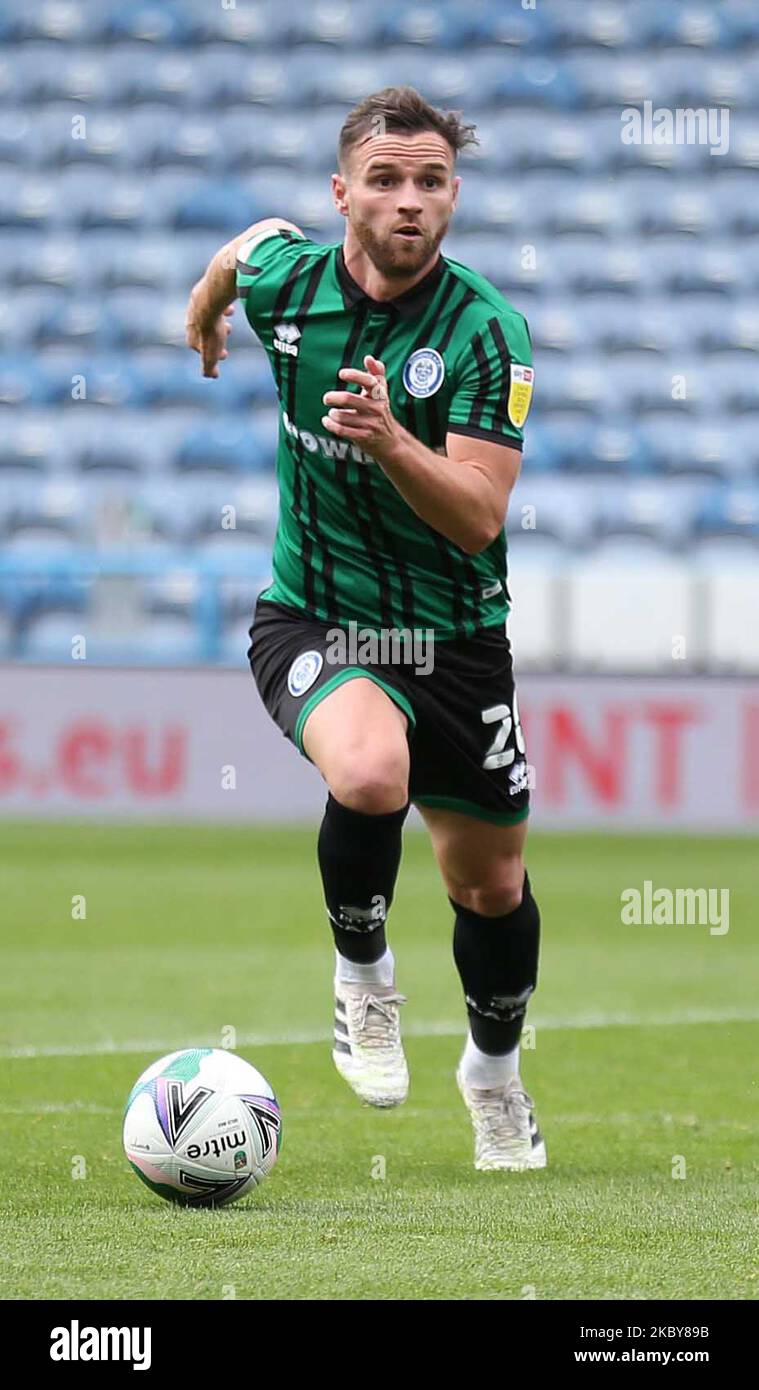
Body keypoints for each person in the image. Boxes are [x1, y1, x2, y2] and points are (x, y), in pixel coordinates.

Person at [185, 86, 544, 1171]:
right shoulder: (288, 281)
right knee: (372, 771)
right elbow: (239, 255)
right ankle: (365, 981)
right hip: (316, 617)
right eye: (384, 180)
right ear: (342, 193)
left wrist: (390, 439)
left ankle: (493, 1072)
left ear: (453, 197)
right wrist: (204, 311)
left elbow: (480, 513)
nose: (407, 200)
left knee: (491, 887)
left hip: (454, 640)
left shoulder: (489, 333)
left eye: (429, 181)